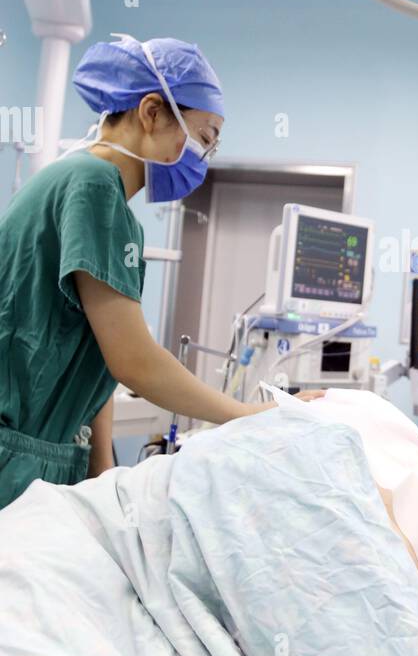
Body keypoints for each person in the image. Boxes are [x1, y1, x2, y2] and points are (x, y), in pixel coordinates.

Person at [0, 34, 316, 511]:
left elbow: (100, 357)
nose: (202, 159)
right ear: (151, 112)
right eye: (203, 137)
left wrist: (102, 473)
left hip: (38, 457)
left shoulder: (87, 187)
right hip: (14, 460)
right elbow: (134, 361)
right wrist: (252, 416)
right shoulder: (92, 187)